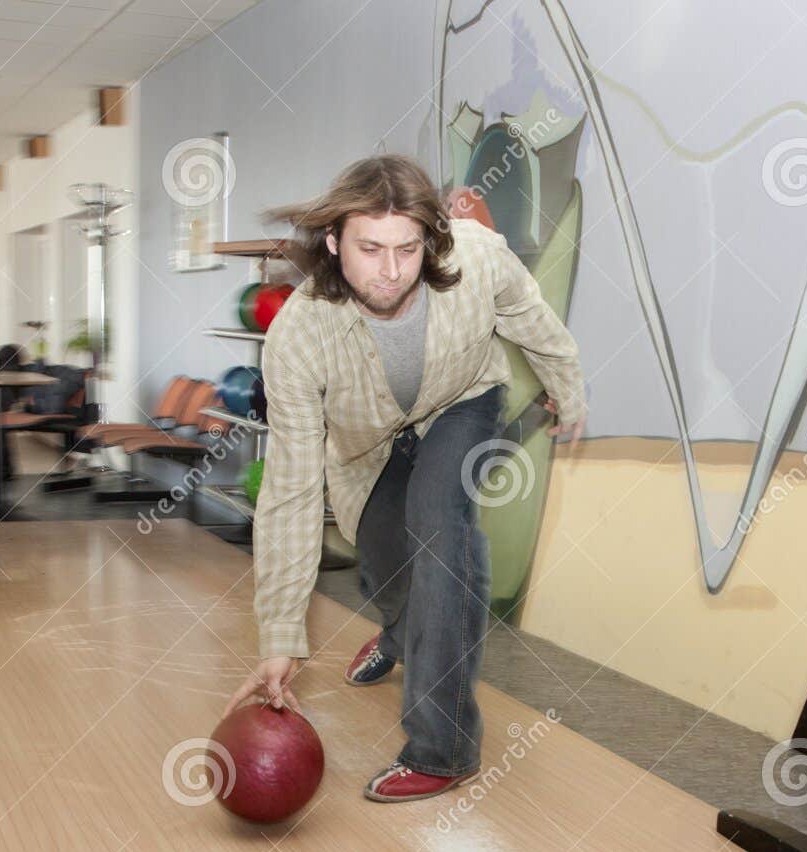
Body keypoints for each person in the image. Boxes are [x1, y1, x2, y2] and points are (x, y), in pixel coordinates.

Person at [223, 155, 586, 802]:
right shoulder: (298, 336)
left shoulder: (478, 262)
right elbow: (291, 492)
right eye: (370, 249)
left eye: (407, 248)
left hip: (461, 404)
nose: (390, 269)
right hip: (365, 442)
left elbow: (535, 322)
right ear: (333, 243)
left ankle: (443, 749)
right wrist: (280, 638)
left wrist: (570, 389)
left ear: (430, 240)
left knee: (441, 532)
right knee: (388, 560)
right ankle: (397, 631)